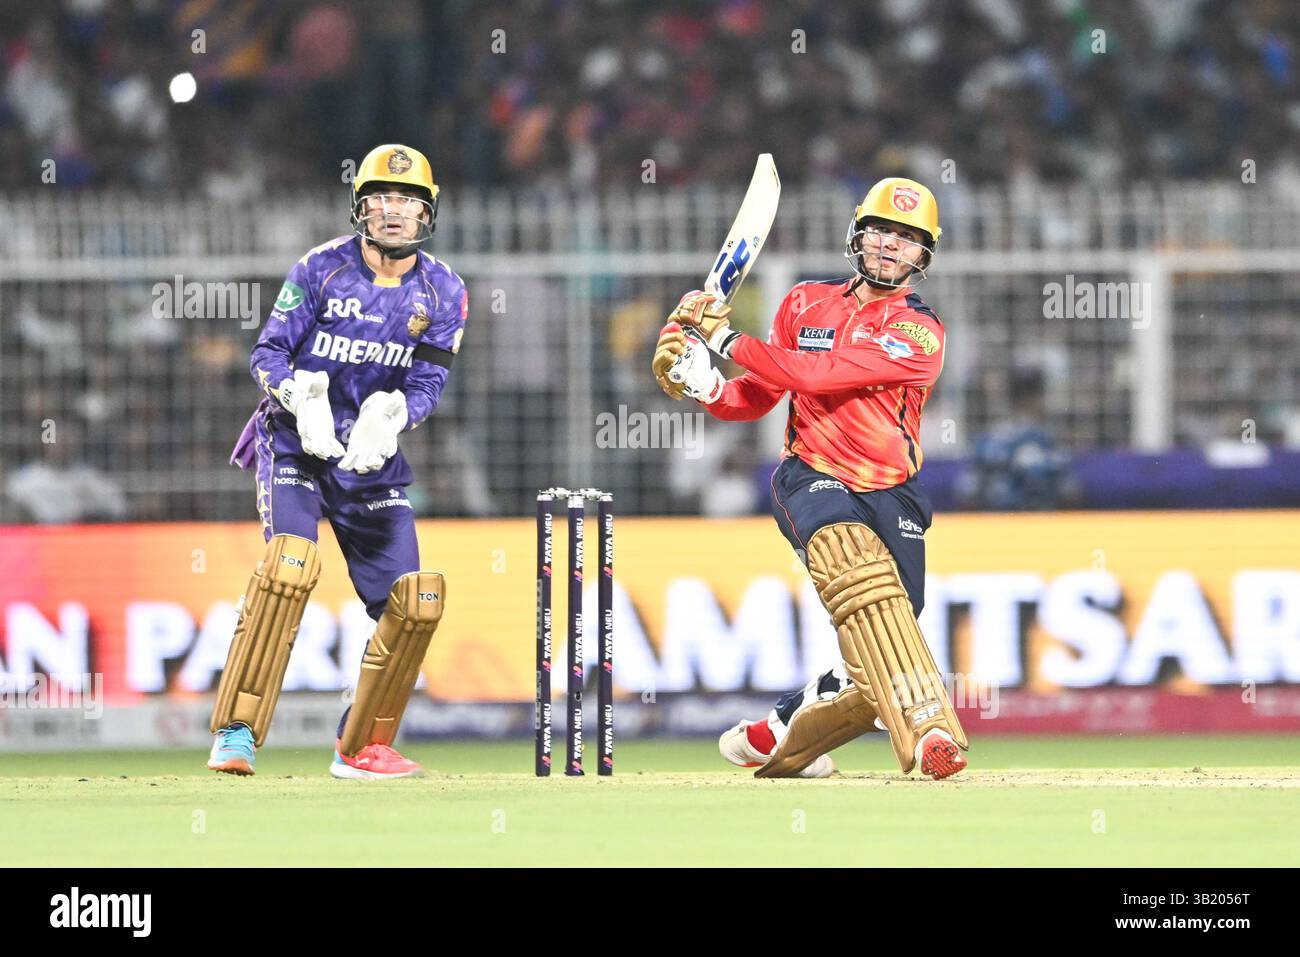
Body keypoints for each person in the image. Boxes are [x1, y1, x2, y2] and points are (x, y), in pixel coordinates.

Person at [651, 177, 968, 780]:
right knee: (855, 571)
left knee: (881, 645)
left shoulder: (921, 332)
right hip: (811, 474)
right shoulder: (804, 302)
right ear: (858, 233)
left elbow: (817, 376)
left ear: (923, 256)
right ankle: (926, 736)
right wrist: (707, 385)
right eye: (881, 231)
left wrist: (721, 338)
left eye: (906, 239)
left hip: (892, 491)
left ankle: (779, 733)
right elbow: (760, 394)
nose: (889, 247)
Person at [209, 144, 468, 779]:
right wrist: (297, 395)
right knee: (289, 570)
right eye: (381, 197)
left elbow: (429, 381)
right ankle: (236, 733)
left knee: (412, 604)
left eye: (409, 200)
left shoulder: (445, 290)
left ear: (426, 213)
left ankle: (359, 748)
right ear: (361, 207)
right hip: (298, 440)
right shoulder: (321, 268)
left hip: (370, 453)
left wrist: (397, 418)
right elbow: (267, 354)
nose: (394, 210)